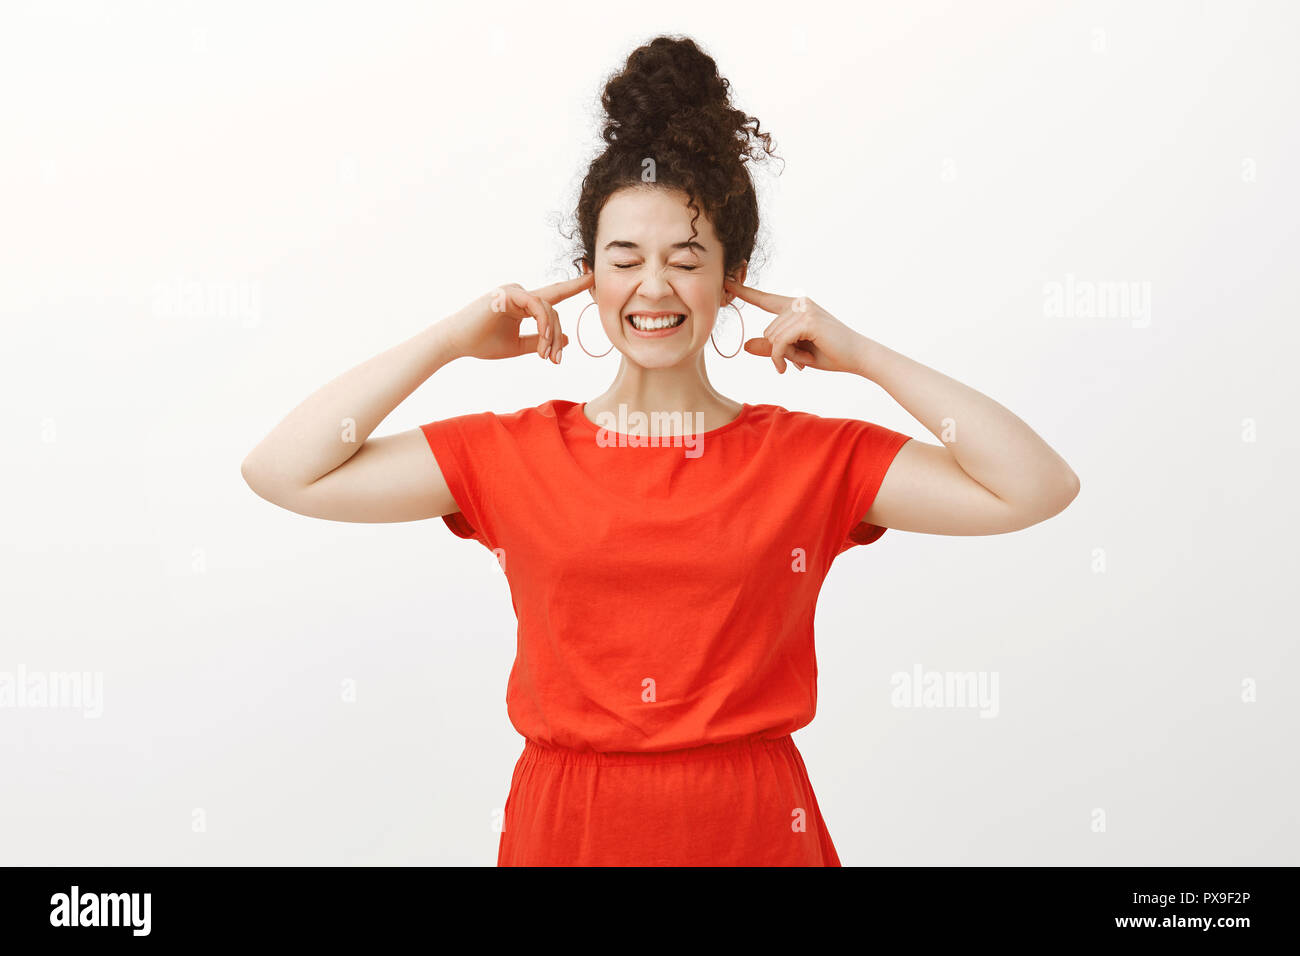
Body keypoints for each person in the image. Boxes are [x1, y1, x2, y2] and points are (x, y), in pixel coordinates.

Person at [240, 35, 1080, 866]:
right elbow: (284, 470)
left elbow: (1035, 487)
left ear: (731, 275)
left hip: (752, 825)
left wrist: (866, 356)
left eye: (686, 260)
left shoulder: (809, 458)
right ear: (587, 276)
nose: (652, 287)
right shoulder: (516, 452)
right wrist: (453, 339)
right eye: (623, 259)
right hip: (569, 826)